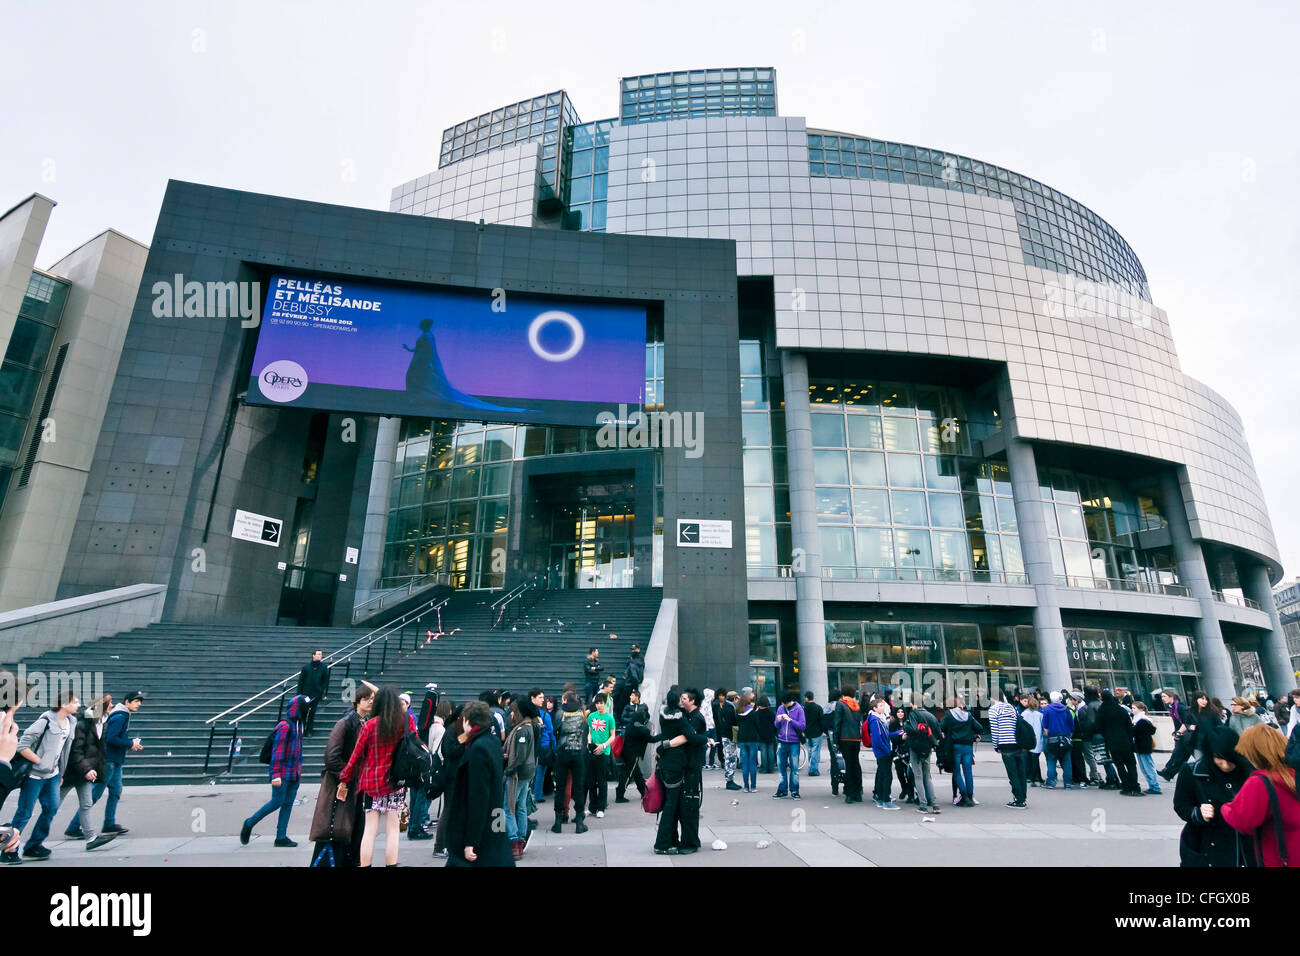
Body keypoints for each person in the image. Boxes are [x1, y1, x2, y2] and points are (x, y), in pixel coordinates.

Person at [4, 690, 79, 863]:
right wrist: (41, 762)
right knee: (24, 813)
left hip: (52, 775)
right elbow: (22, 745)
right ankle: (9, 850)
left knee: (51, 808)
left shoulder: (71, 722)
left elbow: (63, 751)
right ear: (63, 704)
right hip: (34, 776)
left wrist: (60, 772)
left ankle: (34, 845)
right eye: (74, 702)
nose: (78, 705)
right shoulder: (45, 720)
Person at [336, 686, 407, 867]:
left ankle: (365, 865)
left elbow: (355, 757)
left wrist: (344, 780)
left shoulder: (369, 725)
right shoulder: (403, 723)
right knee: (393, 830)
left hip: (371, 783)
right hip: (395, 783)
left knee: (369, 830)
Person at [310, 681, 374, 867]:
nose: (370, 702)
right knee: (337, 831)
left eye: (371, 699)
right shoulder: (345, 723)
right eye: (366, 699)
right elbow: (331, 757)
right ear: (357, 701)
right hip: (341, 787)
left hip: (356, 787)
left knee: (353, 832)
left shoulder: (365, 723)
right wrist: (348, 775)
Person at [444, 700, 515, 867]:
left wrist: (471, 841)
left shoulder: (478, 748)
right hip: (495, 817)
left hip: (481, 823)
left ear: (467, 720)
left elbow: (478, 797)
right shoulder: (492, 741)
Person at [1172, 726, 1256, 867]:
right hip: (1206, 847)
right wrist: (1198, 813)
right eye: (1219, 758)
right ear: (1210, 753)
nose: (1226, 765)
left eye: (1230, 759)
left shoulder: (1248, 772)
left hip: (1243, 847)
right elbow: (1181, 805)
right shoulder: (1192, 772)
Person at [1222, 724, 1300, 867]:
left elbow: (1243, 821)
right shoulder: (1293, 774)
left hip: (1279, 859)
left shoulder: (1260, 782)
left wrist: (1225, 808)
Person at [241, 694, 307, 850]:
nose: (308, 710)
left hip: (294, 773)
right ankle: (249, 823)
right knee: (276, 802)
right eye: (306, 707)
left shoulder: (299, 725)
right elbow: (277, 753)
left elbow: (298, 750)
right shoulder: (285, 726)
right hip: (283, 773)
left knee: (288, 804)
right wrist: (275, 775)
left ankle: (281, 837)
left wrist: (299, 771)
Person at [79, 689, 143, 837]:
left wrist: (129, 744)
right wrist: (129, 743)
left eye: (140, 701)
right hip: (109, 761)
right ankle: (74, 826)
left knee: (115, 791)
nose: (139, 704)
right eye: (136, 701)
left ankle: (109, 823)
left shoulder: (122, 714)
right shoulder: (120, 716)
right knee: (95, 794)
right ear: (127, 702)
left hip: (115, 760)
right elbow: (111, 738)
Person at [56, 699, 118, 852]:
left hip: (85, 772)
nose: (112, 706)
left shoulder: (102, 723)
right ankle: (27, 837)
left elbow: (98, 751)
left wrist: (96, 769)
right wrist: (86, 769)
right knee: (52, 806)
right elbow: (76, 751)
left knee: (86, 803)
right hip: (73, 772)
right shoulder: (82, 724)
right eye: (109, 704)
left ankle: (91, 838)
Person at [550, 687, 588, 834]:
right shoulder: (582, 713)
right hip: (578, 753)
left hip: (563, 753)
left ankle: (558, 822)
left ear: (565, 699)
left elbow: (555, 731)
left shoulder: (560, 713)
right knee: (578, 786)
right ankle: (579, 822)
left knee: (560, 787)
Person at [504, 701, 537, 861]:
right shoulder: (529, 726)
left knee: (508, 807)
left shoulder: (522, 730)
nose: (511, 714)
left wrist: (510, 768)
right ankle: (521, 838)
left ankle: (514, 841)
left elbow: (521, 755)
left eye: (513, 711)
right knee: (521, 806)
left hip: (518, 774)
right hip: (527, 772)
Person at [940, 696, 984, 807]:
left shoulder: (948, 715)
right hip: (968, 747)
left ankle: (963, 796)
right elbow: (979, 728)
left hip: (955, 746)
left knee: (956, 772)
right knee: (968, 772)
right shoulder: (968, 715)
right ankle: (970, 796)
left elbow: (941, 727)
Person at [1096, 690, 1141, 796]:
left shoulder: (1102, 710)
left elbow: (1099, 727)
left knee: (1119, 765)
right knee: (1131, 764)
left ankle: (1126, 786)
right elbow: (1129, 726)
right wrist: (1130, 739)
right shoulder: (1121, 709)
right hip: (1126, 740)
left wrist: (1106, 735)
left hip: (1112, 742)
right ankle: (1135, 785)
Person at [988, 692, 1027, 808]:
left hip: (1005, 744)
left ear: (992, 698)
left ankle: (1018, 800)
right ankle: (1023, 798)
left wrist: (996, 746)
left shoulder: (993, 710)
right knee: (1021, 772)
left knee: (1012, 774)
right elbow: (1017, 725)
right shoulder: (1012, 708)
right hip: (1017, 743)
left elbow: (995, 730)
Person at [1161, 689, 1210, 780]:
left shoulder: (1180, 707)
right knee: (1179, 755)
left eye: (1164, 696)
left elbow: (1185, 722)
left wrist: (1182, 731)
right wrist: (1178, 732)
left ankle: (1168, 772)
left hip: (1195, 738)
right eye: (1202, 699)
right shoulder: (1177, 708)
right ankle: (1168, 772)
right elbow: (1186, 723)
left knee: (1182, 755)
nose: (1204, 701)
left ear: (1171, 697)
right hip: (1189, 737)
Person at [903, 701, 942, 814]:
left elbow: (914, 730)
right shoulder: (931, 716)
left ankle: (923, 805)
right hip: (927, 748)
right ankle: (935, 805)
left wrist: (906, 727)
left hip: (915, 748)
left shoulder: (913, 714)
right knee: (927, 776)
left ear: (912, 703)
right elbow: (939, 734)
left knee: (918, 776)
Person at [616, 687, 650, 803]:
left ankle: (643, 792)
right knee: (629, 772)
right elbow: (623, 718)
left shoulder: (643, 707)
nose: (630, 697)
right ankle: (620, 794)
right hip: (632, 750)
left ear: (637, 697)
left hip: (629, 749)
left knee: (636, 772)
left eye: (632, 695)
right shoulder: (629, 709)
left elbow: (647, 717)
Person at [867, 697, 900, 809]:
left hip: (883, 750)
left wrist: (896, 733)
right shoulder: (875, 720)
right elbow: (877, 739)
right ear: (875, 708)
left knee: (883, 774)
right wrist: (887, 751)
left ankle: (881, 798)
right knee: (887, 776)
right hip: (883, 752)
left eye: (883, 705)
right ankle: (886, 800)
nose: (883, 707)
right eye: (880, 706)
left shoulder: (878, 718)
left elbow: (885, 735)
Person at [586, 693, 616, 818]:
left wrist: (603, 745)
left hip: (603, 752)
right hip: (591, 751)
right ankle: (592, 807)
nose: (599, 705)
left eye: (601, 703)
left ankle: (601, 808)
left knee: (602, 781)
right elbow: (589, 732)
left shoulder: (609, 718)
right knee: (591, 781)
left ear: (605, 704)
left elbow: (613, 736)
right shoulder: (591, 716)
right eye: (597, 703)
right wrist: (589, 741)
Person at [832, 686, 864, 803]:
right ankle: (858, 792)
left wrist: (835, 741)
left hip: (844, 738)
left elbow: (837, 723)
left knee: (848, 765)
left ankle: (849, 793)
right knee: (856, 764)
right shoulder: (856, 705)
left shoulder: (840, 704)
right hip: (856, 738)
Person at [773, 691, 806, 799]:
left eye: (784, 703)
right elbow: (775, 724)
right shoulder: (780, 708)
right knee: (781, 768)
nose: (783, 705)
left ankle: (794, 790)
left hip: (794, 742)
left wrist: (790, 720)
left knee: (794, 769)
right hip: (782, 741)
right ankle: (782, 790)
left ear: (788, 702)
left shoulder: (799, 709)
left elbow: (802, 726)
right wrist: (777, 721)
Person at [1041, 691, 1075, 789]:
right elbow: (1072, 727)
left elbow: (1045, 726)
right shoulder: (1066, 710)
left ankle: (1051, 782)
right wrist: (1069, 737)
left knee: (1051, 760)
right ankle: (1068, 783)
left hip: (1052, 738)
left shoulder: (1047, 709)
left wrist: (1047, 734)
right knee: (1066, 761)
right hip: (1065, 738)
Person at [295, 650, 330, 737]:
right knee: (303, 712)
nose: (320, 656)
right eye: (318, 654)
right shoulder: (306, 668)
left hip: (316, 695)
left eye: (321, 654)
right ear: (313, 655)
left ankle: (309, 730)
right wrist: (299, 695)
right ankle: (302, 730)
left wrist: (321, 691)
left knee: (312, 712)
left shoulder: (323, 667)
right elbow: (301, 682)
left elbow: (325, 681)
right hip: (305, 694)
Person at [1131, 702, 1162, 795]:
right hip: (1141, 746)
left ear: (1140, 709)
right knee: (1145, 766)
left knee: (1147, 766)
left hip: (1142, 746)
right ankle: (1152, 785)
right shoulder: (1139, 719)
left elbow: (1135, 732)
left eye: (1134, 708)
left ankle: (1155, 786)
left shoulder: (1142, 720)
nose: (1132, 710)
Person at [714, 687, 740, 791]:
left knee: (728, 757)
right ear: (734, 699)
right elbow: (731, 722)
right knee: (730, 758)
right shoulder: (730, 707)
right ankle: (730, 780)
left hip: (723, 734)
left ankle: (729, 780)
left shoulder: (722, 706)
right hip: (729, 735)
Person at [735, 693, 761, 792]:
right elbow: (758, 725)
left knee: (745, 764)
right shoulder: (753, 713)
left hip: (742, 739)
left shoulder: (738, 712)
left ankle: (746, 786)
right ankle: (753, 787)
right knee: (752, 763)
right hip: (753, 739)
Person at [1020, 695, 1044, 786]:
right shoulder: (1040, 715)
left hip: (1027, 740)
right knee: (1035, 759)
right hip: (1037, 739)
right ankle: (1037, 777)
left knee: (1028, 759)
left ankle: (1030, 777)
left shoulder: (1024, 714)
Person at [803, 691, 825, 775]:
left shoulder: (803, 708)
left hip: (807, 732)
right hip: (817, 732)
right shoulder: (818, 707)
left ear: (806, 698)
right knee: (815, 751)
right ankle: (813, 769)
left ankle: (811, 766)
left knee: (810, 750)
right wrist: (822, 730)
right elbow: (822, 720)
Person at [755, 695, 777, 774]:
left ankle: (764, 768)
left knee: (763, 752)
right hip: (770, 734)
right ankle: (771, 768)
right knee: (771, 751)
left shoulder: (757, 714)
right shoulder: (771, 713)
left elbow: (756, 725)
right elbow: (775, 725)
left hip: (761, 735)